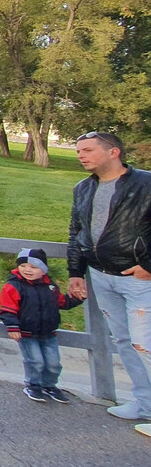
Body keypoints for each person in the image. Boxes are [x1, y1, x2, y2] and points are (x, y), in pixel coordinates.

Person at [66, 131, 151, 433]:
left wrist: (148, 267)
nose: (81, 156)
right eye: (78, 151)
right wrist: (76, 272)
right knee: (125, 343)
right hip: (102, 277)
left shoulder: (146, 183)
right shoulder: (83, 189)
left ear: (113, 152)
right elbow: (77, 232)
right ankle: (143, 404)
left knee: (146, 344)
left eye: (87, 150)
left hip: (139, 280)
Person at [0, 247, 83, 402]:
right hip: (26, 333)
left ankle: (49, 385)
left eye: (33, 267)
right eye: (23, 266)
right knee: (35, 361)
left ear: (43, 270)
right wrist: (12, 327)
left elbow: (62, 303)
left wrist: (77, 299)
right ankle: (33, 385)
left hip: (49, 333)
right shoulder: (14, 286)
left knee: (53, 363)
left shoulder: (50, 287)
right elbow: (7, 309)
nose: (27, 270)